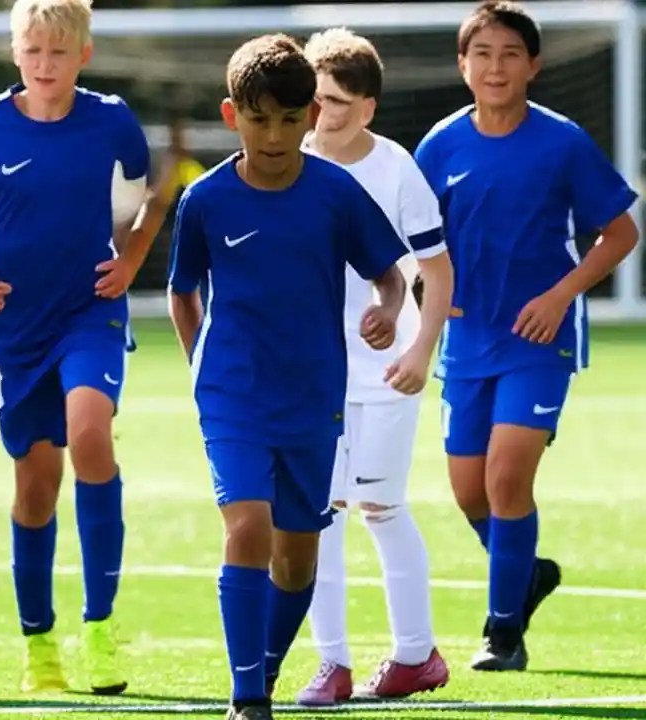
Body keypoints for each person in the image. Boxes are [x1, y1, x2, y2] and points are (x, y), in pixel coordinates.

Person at [166, 34, 425, 720]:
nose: (274, 134)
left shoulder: (337, 193)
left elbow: (390, 276)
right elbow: (182, 290)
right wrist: (202, 366)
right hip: (233, 396)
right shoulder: (207, 200)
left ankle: (266, 663)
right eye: (258, 119)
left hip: (314, 397)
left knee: (297, 562)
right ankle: (247, 696)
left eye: (288, 118)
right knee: (247, 525)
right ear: (232, 116)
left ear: (311, 116)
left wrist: (386, 309)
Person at [415, 0, 638, 671]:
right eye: (482, 54)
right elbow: (412, 237)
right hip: (467, 339)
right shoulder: (440, 145)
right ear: (462, 65)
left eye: (510, 53)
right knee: (468, 491)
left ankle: (503, 633)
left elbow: (621, 231)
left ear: (534, 65)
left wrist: (560, 295)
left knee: (508, 479)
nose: (495, 66)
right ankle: (527, 574)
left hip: (539, 338)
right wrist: (423, 293)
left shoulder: (563, 141)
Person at [0, 0, 154, 696]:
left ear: (84, 55)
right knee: (36, 488)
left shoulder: (111, 120)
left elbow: (151, 197)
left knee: (91, 430)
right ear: (15, 52)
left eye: (59, 53)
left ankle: (101, 628)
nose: (45, 65)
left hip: (89, 312)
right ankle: (39, 641)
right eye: (33, 51)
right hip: (16, 330)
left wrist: (130, 260)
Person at [294, 27, 455, 706]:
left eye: (331, 100)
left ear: (365, 108)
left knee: (382, 506)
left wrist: (422, 349)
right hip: (312, 373)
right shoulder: (286, 160)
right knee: (318, 514)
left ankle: (416, 655)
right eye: (313, 98)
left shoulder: (395, 170)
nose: (317, 112)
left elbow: (437, 270)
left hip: (387, 371)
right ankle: (331, 665)